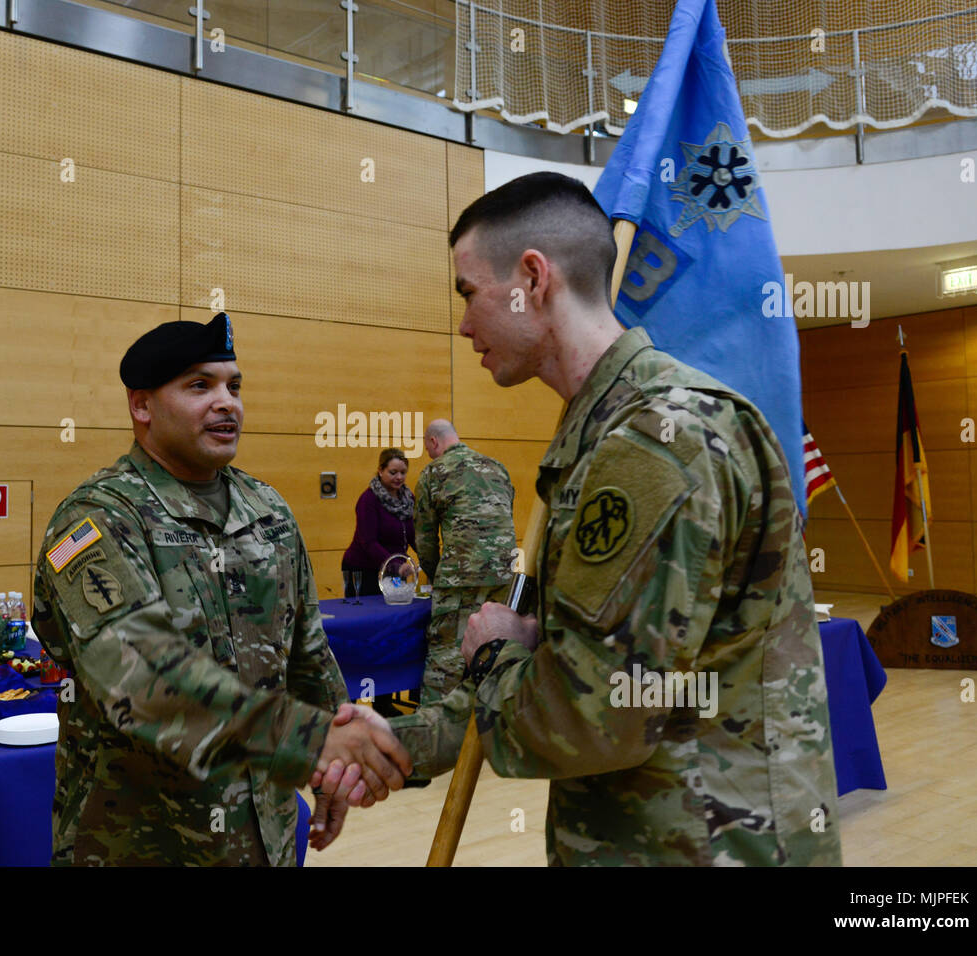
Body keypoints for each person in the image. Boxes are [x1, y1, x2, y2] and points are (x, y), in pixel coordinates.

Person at [323, 171, 842, 866]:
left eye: (469, 292)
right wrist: (400, 742)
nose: (463, 323)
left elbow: (602, 714)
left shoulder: (656, 441)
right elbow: (583, 667)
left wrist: (492, 650)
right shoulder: (602, 435)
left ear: (532, 278)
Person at [30, 312, 412, 865]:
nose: (227, 402)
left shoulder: (268, 510)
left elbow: (307, 653)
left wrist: (335, 761)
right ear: (142, 406)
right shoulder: (97, 520)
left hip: (266, 838)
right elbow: (142, 678)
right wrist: (306, 740)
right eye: (199, 386)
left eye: (234, 387)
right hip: (142, 844)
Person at [413, 419, 515, 705]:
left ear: (433, 442)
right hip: (504, 576)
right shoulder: (498, 468)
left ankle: (434, 738)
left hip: (460, 578)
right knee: (495, 653)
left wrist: (436, 577)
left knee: (445, 662)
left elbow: (425, 539)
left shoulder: (433, 472)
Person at [341, 448, 416, 598]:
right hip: (365, 568)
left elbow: (414, 535)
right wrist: (395, 565)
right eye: (393, 472)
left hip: (395, 568)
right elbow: (368, 542)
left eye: (403, 473)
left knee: (395, 609)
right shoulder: (368, 500)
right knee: (368, 615)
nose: (399, 477)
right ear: (381, 471)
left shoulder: (409, 499)